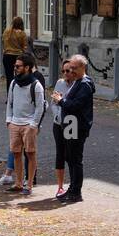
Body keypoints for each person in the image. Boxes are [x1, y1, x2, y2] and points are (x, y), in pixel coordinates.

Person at [52, 53, 94, 203]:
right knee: (69, 157)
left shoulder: (85, 84)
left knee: (75, 159)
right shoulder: (78, 81)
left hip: (77, 126)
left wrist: (60, 101)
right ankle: (72, 188)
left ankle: (76, 192)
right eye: (70, 68)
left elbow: (75, 106)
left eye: (74, 68)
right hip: (70, 124)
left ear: (83, 67)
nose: (72, 71)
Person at [5, 51, 45, 196]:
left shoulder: (36, 86)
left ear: (27, 67)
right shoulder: (14, 83)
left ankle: (29, 184)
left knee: (30, 154)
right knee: (16, 154)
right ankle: (18, 183)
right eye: (15, 66)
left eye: (18, 66)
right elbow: (9, 102)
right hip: (15, 123)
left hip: (29, 124)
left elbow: (41, 107)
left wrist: (33, 125)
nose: (15, 68)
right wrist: (9, 120)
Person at [50, 58, 74, 199]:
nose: (65, 73)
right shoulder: (60, 83)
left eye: (68, 71)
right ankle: (60, 187)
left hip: (72, 124)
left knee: (71, 154)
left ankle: (73, 185)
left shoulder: (78, 85)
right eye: (63, 71)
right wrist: (59, 116)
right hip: (58, 123)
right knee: (60, 153)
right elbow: (53, 103)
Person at [0, 16, 28, 92]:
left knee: (9, 77)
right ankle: (17, 94)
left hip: (7, 56)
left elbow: (3, 41)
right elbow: (25, 46)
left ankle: (9, 96)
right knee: (19, 76)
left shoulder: (6, 31)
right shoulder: (22, 34)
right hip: (18, 57)